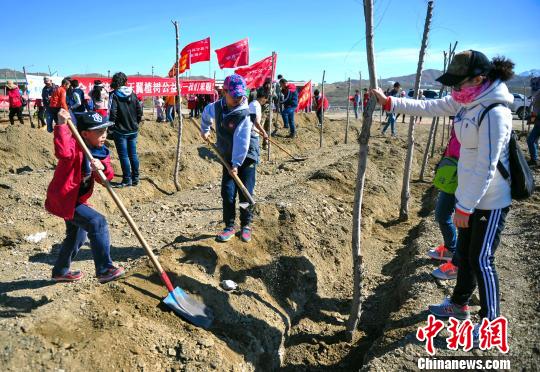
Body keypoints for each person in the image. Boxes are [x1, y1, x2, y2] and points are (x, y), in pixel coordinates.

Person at [372, 50, 514, 343]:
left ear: (479, 78)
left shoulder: (494, 112)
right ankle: (458, 305)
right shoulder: (466, 101)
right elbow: (431, 106)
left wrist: (465, 206)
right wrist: (391, 102)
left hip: (490, 199)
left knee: (482, 260)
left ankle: (490, 325)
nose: (454, 89)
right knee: (463, 255)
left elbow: (487, 164)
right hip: (469, 195)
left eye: (458, 83)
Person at [45, 109, 125, 283]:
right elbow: (63, 152)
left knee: (77, 235)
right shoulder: (74, 146)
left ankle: (60, 271)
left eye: (105, 130)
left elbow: (106, 178)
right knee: (97, 222)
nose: (104, 135)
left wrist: (102, 168)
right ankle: (104, 269)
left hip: (77, 199)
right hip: (64, 199)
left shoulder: (100, 151)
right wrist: (61, 125)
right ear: (85, 134)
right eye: (99, 132)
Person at [200, 74, 258, 243]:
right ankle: (229, 226)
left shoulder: (244, 113)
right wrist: (205, 129)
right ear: (224, 92)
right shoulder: (216, 106)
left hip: (245, 156)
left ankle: (246, 225)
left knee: (244, 192)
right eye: (234, 96)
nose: (238, 98)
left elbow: (242, 140)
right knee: (227, 192)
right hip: (228, 155)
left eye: (240, 95)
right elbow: (206, 114)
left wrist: (236, 164)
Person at [427, 122, 460, 280]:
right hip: (451, 171)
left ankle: (459, 265)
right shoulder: (461, 113)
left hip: (469, 175)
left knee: (467, 224)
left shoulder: (483, 114)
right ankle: (450, 249)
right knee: (442, 214)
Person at [108, 72, 142, 188]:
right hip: (133, 130)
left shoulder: (114, 95)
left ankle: (127, 179)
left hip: (120, 131)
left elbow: (113, 112)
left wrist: (111, 128)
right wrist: (136, 123)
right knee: (133, 154)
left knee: (124, 156)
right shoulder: (133, 93)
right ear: (125, 81)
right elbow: (139, 111)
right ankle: (136, 178)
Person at [526, 89, 540, 167]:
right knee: (531, 140)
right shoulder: (538, 91)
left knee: (530, 140)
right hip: (537, 123)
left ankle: (534, 160)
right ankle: (534, 160)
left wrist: (536, 116)